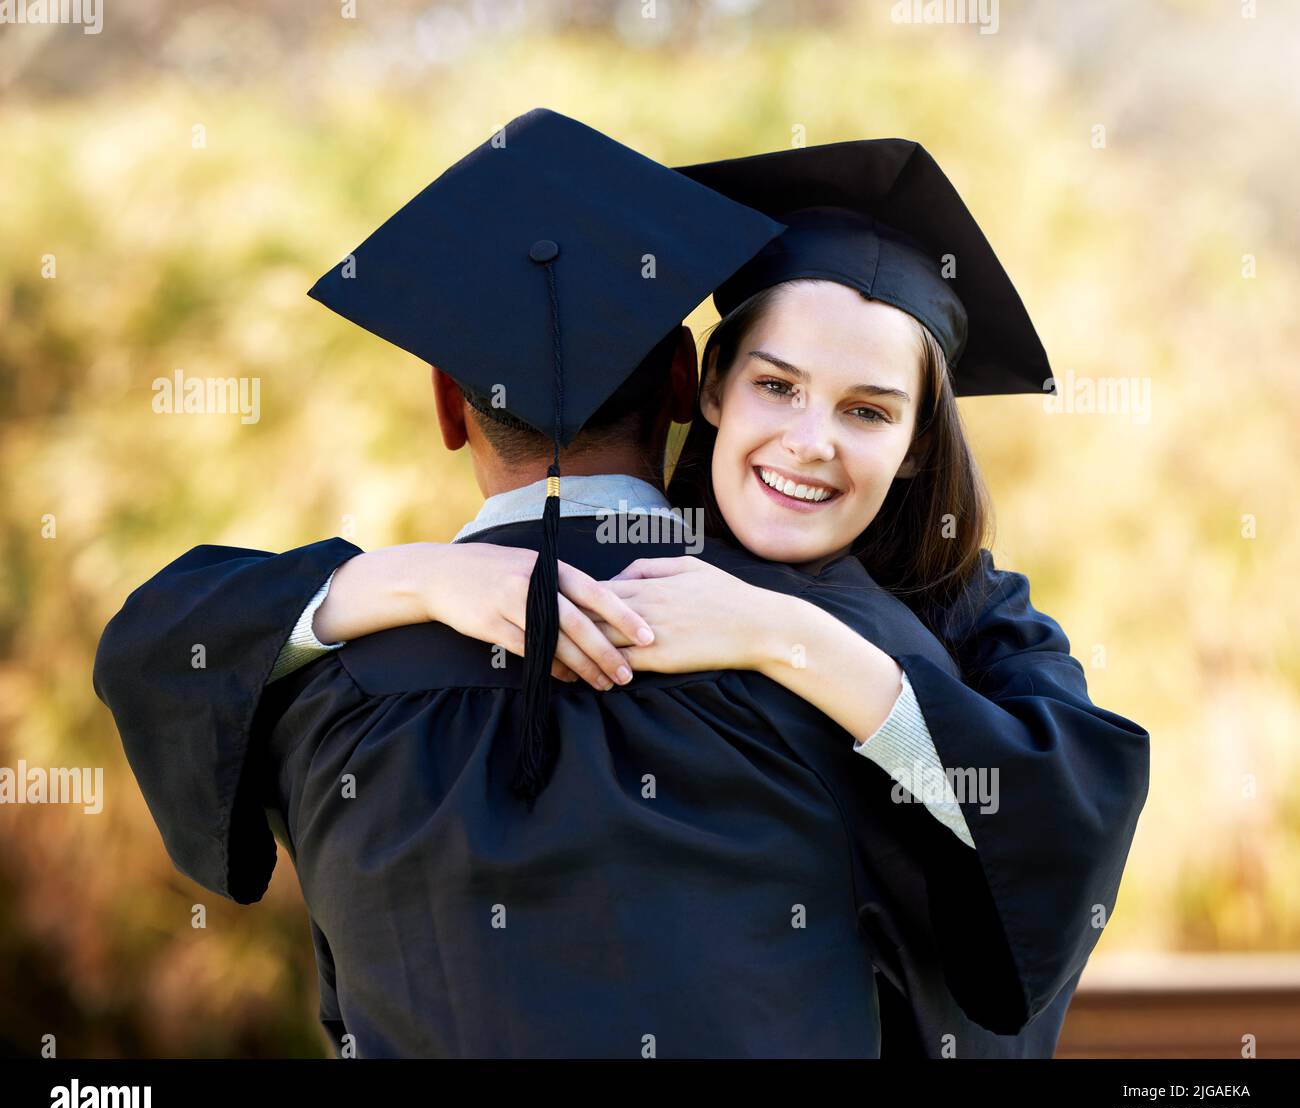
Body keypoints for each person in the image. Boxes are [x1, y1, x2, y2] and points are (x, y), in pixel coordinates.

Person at [93, 119, 1148, 1057]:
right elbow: (1013, 907)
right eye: (778, 386)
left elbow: (161, 653)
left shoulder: (316, 688)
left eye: (869, 411)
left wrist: (382, 580)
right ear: (698, 385)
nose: (812, 439)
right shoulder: (869, 678)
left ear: (448, 406)